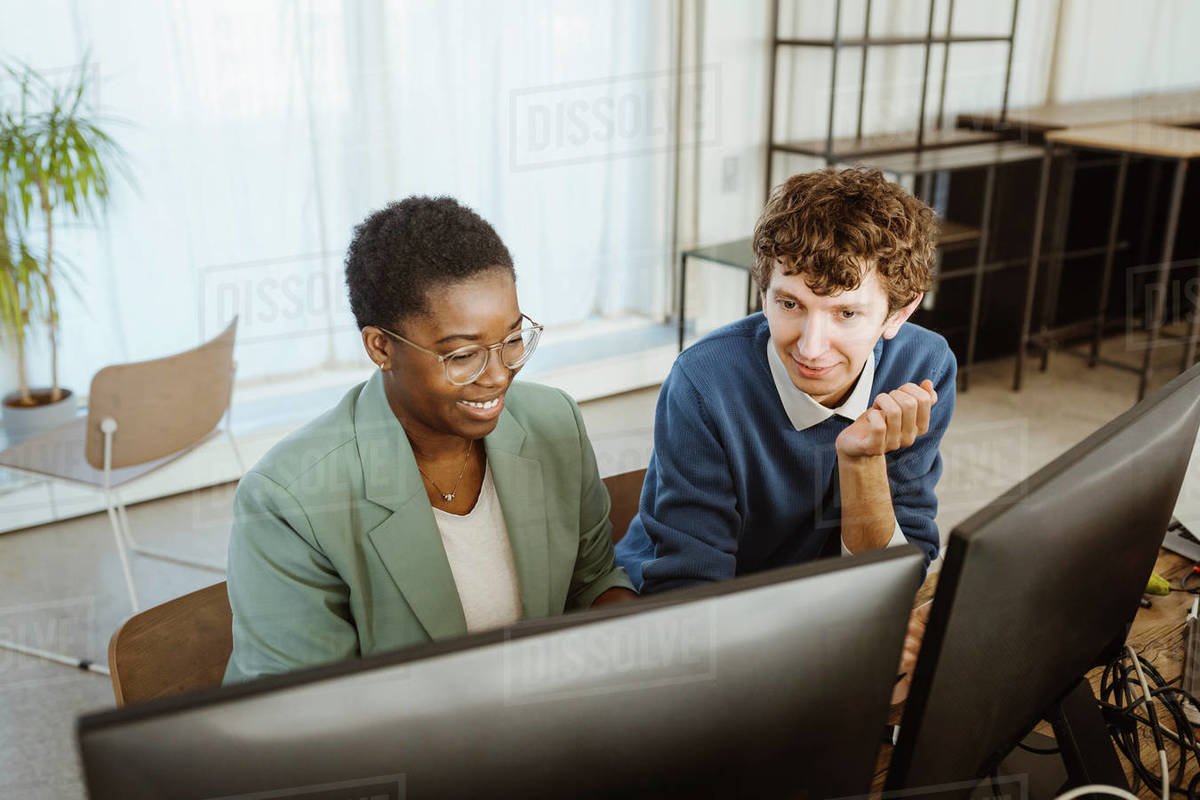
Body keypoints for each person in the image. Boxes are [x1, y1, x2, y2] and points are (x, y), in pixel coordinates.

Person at [224, 196, 636, 684]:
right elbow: (304, 709)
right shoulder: (290, 501)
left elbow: (593, 582)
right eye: (462, 356)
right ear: (382, 347)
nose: (500, 376)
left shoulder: (553, 421)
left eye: (511, 340)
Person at [616, 166, 955, 590]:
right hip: (684, 601)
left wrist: (862, 462)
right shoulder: (704, 383)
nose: (811, 348)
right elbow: (689, 586)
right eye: (790, 304)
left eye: (846, 314)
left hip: (814, 604)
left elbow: (899, 574)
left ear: (898, 315)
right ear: (763, 293)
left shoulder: (924, 369)